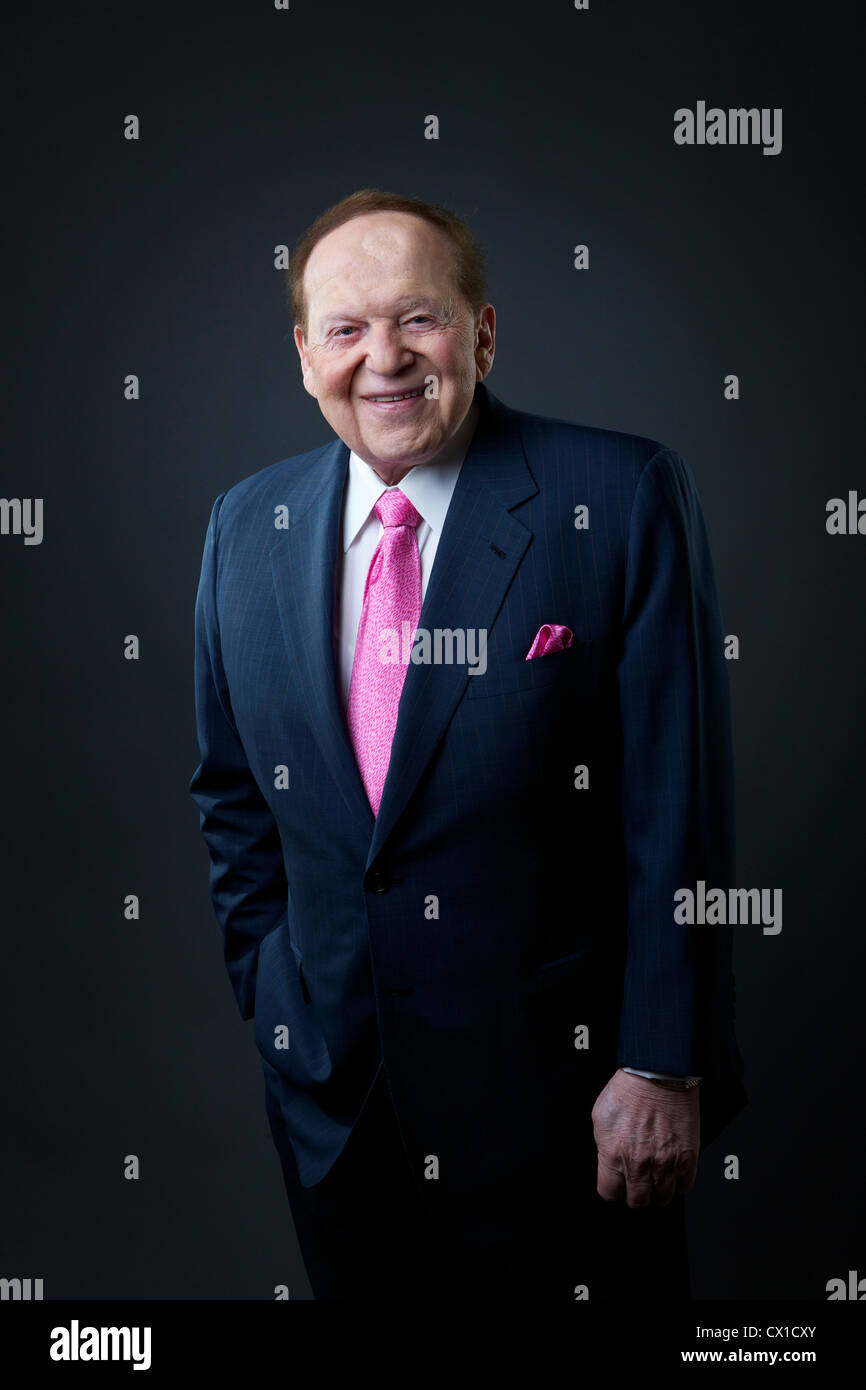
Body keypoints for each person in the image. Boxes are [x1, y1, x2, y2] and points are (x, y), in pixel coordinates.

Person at [189, 188, 746, 1301]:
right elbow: (232, 800)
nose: (383, 358)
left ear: (481, 334)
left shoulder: (616, 493)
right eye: (345, 329)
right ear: (304, 356)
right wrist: (281, 1010)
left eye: (418, 319)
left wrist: (657, 1059)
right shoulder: (245, 526)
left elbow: (673, 805)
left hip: (569, 1113)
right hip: (340, 1117)